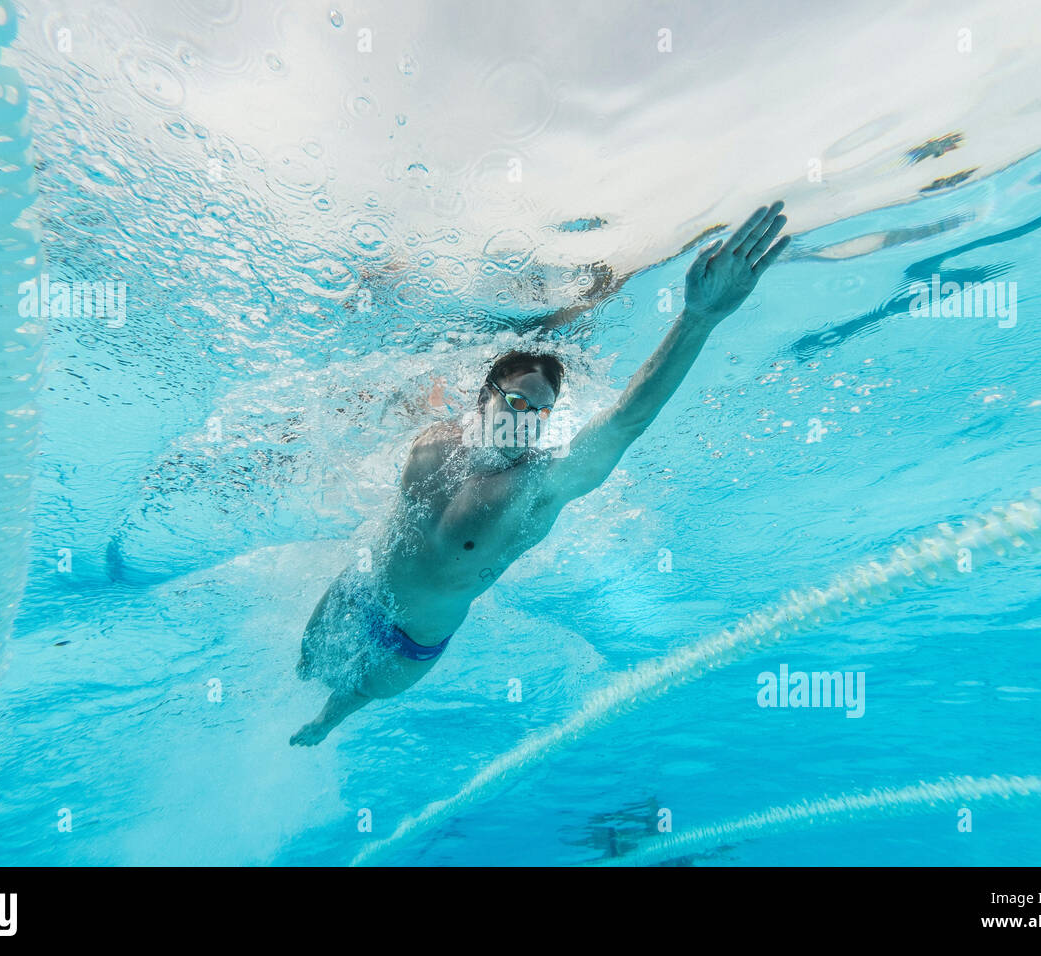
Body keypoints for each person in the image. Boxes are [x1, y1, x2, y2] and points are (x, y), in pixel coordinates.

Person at [291, 201, 790, 745]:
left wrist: (698, 318)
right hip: (360, 590)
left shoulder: (538, 487)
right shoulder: (437, 436)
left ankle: (328, 720)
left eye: (543, 411)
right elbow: (395, 379)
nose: (531, 421)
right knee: (302, 668)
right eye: (520, 403)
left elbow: (627, 420)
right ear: (485, 397)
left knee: (350, 697)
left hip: (413, 640)